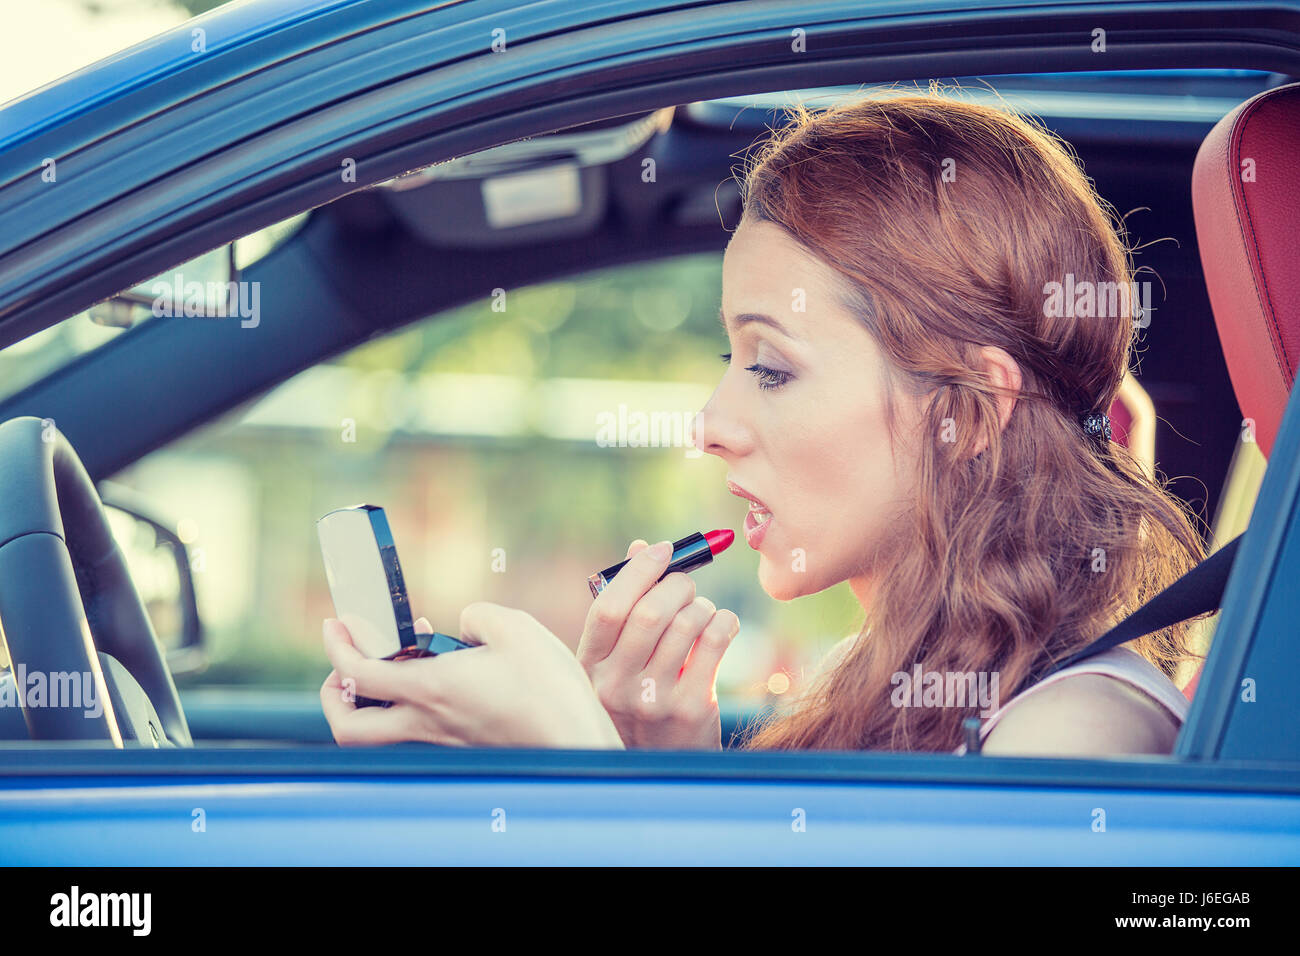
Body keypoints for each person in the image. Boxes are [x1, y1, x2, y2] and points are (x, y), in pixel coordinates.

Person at [321, 91, 1207, 755]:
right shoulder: (880, 689)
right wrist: (662, 757)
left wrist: (572, 759)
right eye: (729, 362)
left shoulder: (1075, 736)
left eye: (772, 368)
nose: (710, 425)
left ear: (970, 411)